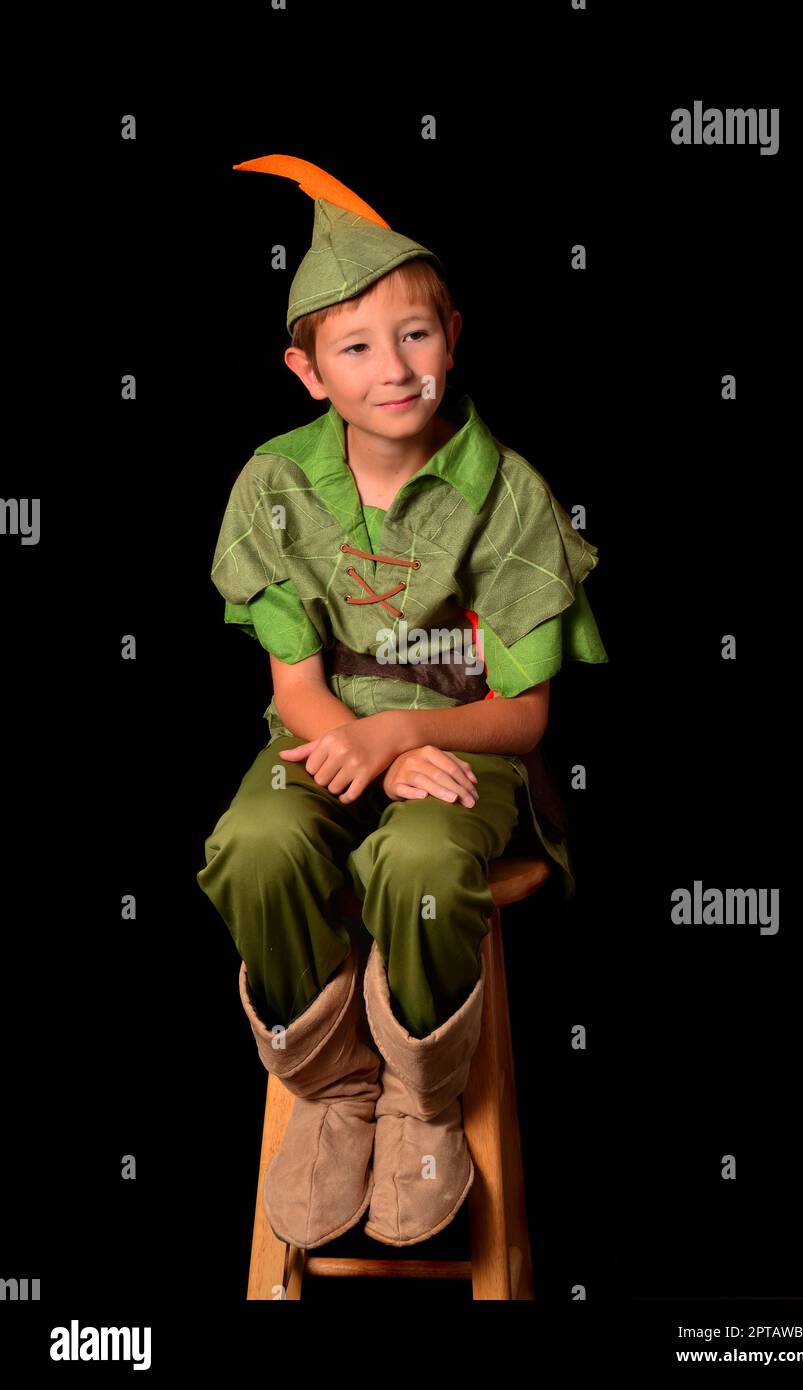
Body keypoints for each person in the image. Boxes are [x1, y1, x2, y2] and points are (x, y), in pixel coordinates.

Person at [196, 156, 608, 1251]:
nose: (395, 367)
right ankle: (331, 1082)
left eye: (416, 335)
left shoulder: (506, 490)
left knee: (419, 865)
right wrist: (371, 749)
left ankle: (424, 1090)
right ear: (307, 371)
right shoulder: (274, 486)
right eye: (358, 346)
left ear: (455, 335)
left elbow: (525, 712)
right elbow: (296, 687)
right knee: (256, 842)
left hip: (463, 755)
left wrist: (412, 731)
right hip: (329, 738)